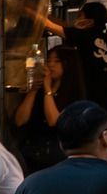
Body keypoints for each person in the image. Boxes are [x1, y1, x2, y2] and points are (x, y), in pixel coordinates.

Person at [30, 2, 107, 124]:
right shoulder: (105, 38)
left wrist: (28, 8)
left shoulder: (84, 36)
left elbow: (47, 24)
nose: (76, 19)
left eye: (79, 15)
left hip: (98, 106)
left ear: (89, 22)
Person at [13, 44, 86, 175]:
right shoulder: (39, 91)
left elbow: (54, 121)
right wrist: (33, 91)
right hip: (31, 153)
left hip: (58, 157)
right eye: (49, 60)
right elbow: (19, 120)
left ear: (69, 65)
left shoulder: (73, 95)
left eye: (57, 61)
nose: (51, 65)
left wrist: (48, 90)